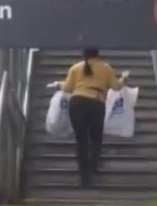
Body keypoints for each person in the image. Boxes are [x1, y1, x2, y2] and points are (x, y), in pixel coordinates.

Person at [51, 48, 127, 188]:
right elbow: (116, 87)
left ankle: (84, 176)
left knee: (81, 140)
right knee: (96, 138)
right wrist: (124, 78)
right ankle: (93, 167)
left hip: (77, 103)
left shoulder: (75, 68)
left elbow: (67, 88)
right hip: (96, 104)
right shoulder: (106, 68)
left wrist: (58, 84)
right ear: (98, 55)